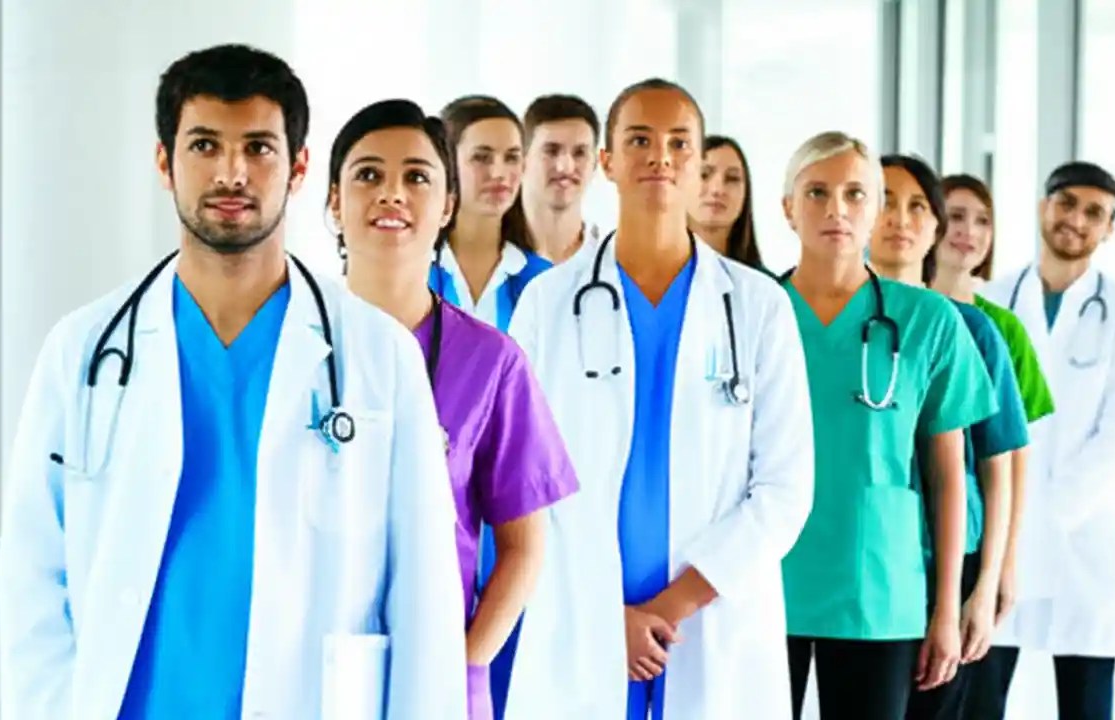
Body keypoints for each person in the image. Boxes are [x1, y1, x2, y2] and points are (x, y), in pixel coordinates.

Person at [0, 45, 467, 720]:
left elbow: (424, 591)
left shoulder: (378, 357)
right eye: (205, 145)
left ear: (299, 167)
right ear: (165, 162)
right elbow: (35, 581)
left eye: (258, 148)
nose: (231, 172)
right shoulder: (82, 351)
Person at [501, 77, 815, 720]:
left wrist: (669, 609)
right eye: (639, 139)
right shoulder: (547, 302)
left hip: (710, 618)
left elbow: (785, 490)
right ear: (608, 162)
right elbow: (525, 481)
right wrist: (604, 616)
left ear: (701, 166)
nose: (660, 156)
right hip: (580, 615)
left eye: (679, 143)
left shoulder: (758, 306)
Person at [328, 98, 580, 720]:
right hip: (305, 668)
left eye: (417, 176)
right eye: (367, 175)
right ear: (333, 202)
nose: (392, 194)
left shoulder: (491, 361)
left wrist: (466, 663)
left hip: (438, 673)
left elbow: (524, 546)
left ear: (447, 204)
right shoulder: (289, 346)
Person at [777, 133, 998, 720]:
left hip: (879, 589)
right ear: (787, 207)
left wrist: (946, 608)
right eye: (817, 192)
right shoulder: (754, 310)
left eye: (855, 194)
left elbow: (948, 477)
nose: (836, 209)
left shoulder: (929, 320)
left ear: (874, 210)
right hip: (765, 584)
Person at [972, 162, 1115, 720]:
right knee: (981, 697)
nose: (1076, 219)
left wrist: (1046, 514)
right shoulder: (991, 302)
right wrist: (1012, 519)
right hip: (1003, 539)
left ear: (1110, 228)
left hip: (1086, 541)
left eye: (1094, 212)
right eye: (1067, 203)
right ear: (1042, 206)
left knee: (1086, 701)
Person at [866, 154, 1031, 719]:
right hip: (865, 561)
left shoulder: (974, 329)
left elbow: (1000, 462)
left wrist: (988, 583)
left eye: (918, 206)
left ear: (933, 229)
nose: (900, 219)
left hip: (948, 559)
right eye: (884, 200)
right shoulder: (822, 315)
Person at [930, 174, 1058, 678]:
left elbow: (1011, 455)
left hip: (971, 537)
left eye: (982, 220)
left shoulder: (999, 329)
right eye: (956, 216)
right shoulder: (899, 310)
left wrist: (1003, 562)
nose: (969, 231)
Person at [428, 95, 550, 332]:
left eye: (512, 157)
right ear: (446, 164)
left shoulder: (544, 280)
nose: (498, 173)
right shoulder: (413, 272)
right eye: (481, 158)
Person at [519, 94, 605, 264]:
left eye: (580, 153)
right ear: (521, 159)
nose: (565, 167)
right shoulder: (487, 260)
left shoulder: (612, 261)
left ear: (595, 163)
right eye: (551, 151)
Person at [687, 134, 766, 271]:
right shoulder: (646, 276)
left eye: (732, 178)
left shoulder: (767, 287)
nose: (717, 190)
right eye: (704, 175)